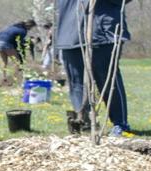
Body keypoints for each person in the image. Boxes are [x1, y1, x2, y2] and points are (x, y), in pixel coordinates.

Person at [54, 0, 130, 136]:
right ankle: (85, 123)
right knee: (76, 83)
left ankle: (120, 123)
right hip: (70, 34)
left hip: (103, 33)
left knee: (107, 80)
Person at [0, 19, 31, 85]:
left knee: (4, 61)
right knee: (17, 62)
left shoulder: (10, 28)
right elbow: (19, 43)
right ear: (29, 26)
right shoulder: (23, 31)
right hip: (6, 43)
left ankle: (4, 78)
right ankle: (14, 79)